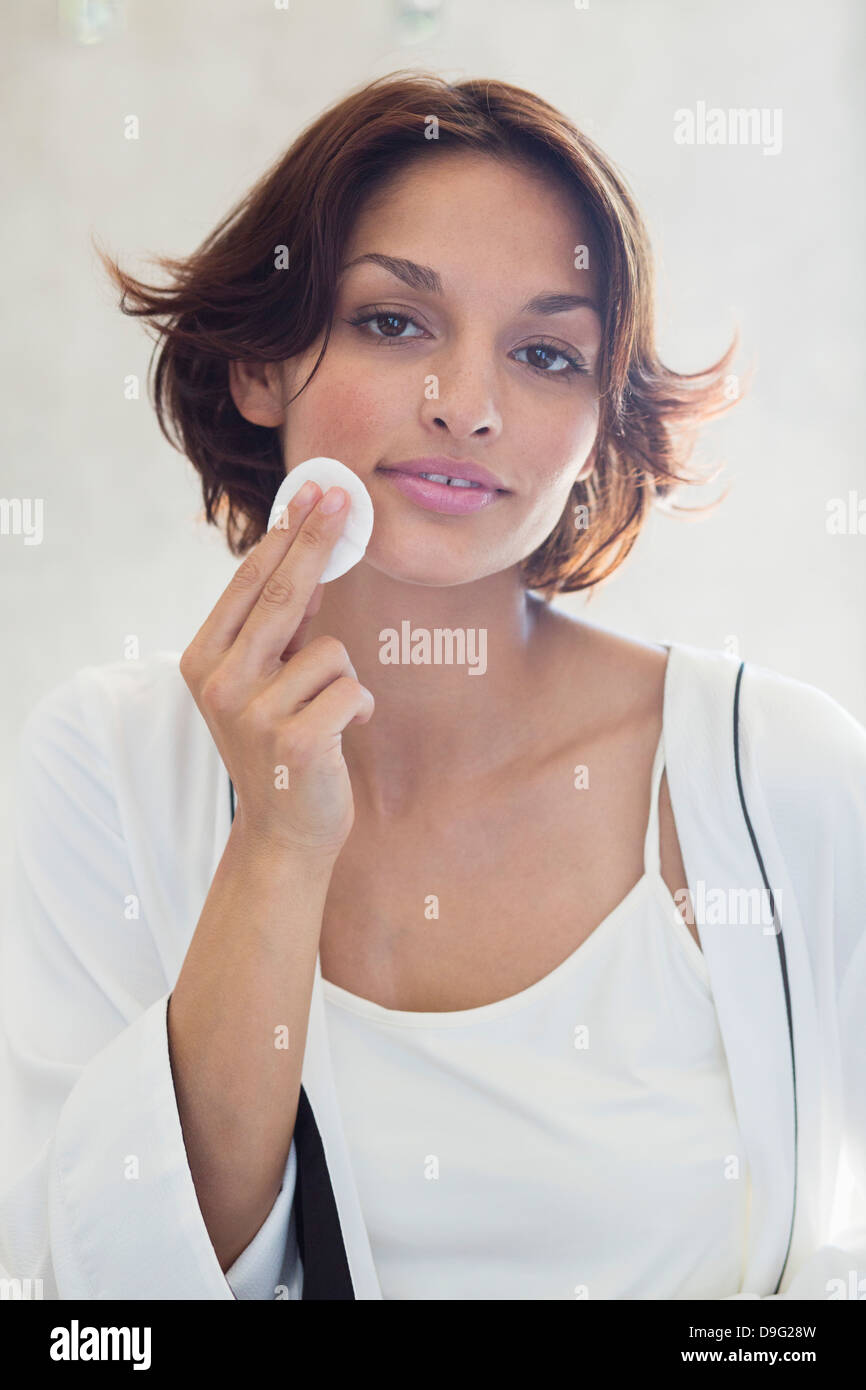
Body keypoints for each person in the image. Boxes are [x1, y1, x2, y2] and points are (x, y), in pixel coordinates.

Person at [1, 71, 864, 1301]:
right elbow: (105, 1303)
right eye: (392, 322)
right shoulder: (106, 764)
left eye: (544, 352)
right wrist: (278, 852)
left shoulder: (780, 772)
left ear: (598, 427)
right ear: (260, 367)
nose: (466, 405)